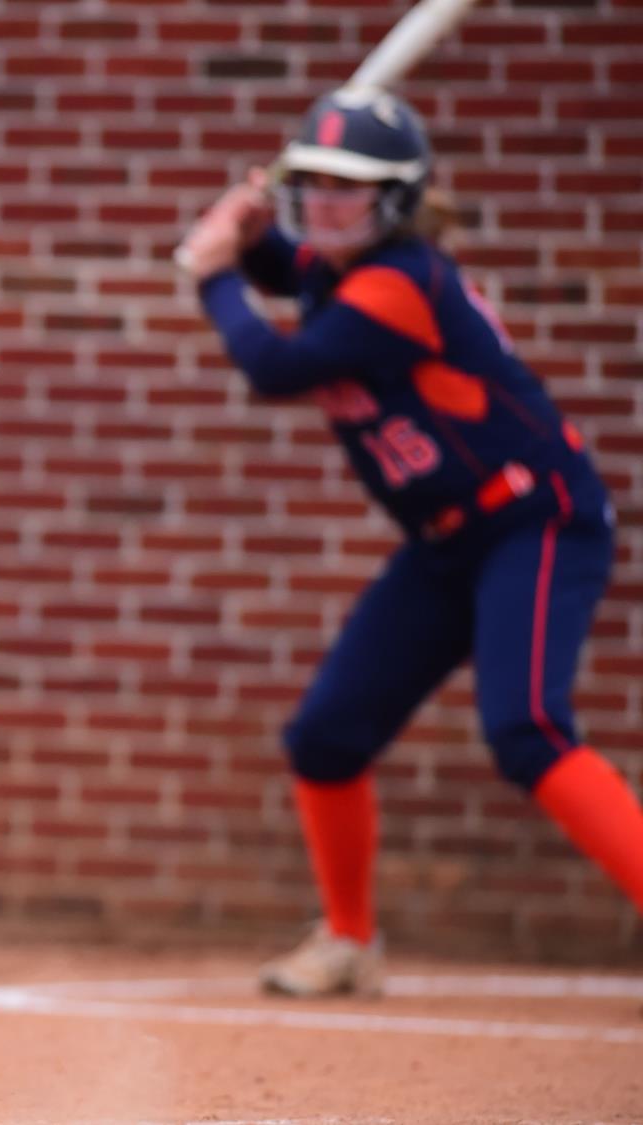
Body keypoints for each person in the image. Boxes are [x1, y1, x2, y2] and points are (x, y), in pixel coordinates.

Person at [179, 89, 640, 996]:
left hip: (536, 518)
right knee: (327, 737)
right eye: (312, 184)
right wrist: (245, 229)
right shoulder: (336, 269)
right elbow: (283, 261)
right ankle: (349, 940)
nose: (326, 204)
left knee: (529, 729)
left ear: (394, 202)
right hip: (444, 542)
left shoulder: (399, 282)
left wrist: (212, 272)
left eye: (350, 189)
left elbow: (276, 364)